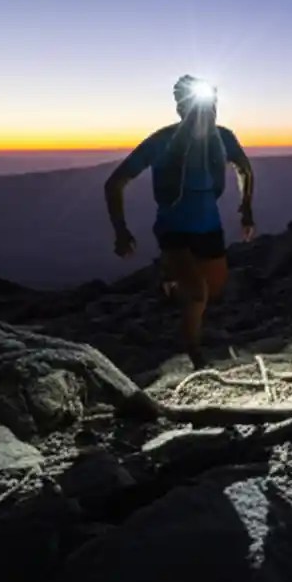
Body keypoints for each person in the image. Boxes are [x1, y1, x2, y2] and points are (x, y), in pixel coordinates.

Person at [104, 75, 255, 369]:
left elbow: (244, 170)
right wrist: (120, 230)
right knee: (197, 294)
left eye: (210, 105)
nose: (205, 112)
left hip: (209, 227)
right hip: (173, 229)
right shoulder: (161, 141)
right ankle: (195, 358)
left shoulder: (224, 137)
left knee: (214, 289)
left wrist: (246, 208)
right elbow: (115, 183)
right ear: (181, 109)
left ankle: (172, 283)